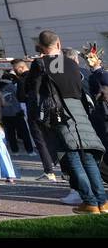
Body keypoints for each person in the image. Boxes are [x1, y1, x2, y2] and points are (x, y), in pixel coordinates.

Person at [25, 30, 106, 213]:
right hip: (79, 111)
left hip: (59, 113)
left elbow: (31, 90)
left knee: (73, 158)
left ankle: (90, 202)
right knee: (89, 158)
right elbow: (75, 84)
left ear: (40, 47)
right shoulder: (69, 62)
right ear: (59, 43)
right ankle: (103, 201)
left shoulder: (41, 63)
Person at [12, 58, 58, 179]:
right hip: (51, 110)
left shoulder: (24, 80)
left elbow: (21, 97)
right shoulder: (46, 75)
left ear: (21, 68)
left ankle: (49, 170)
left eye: (15, 69)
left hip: (34, 113)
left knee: (40, 142)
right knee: (54, 139)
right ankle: (64, 169)